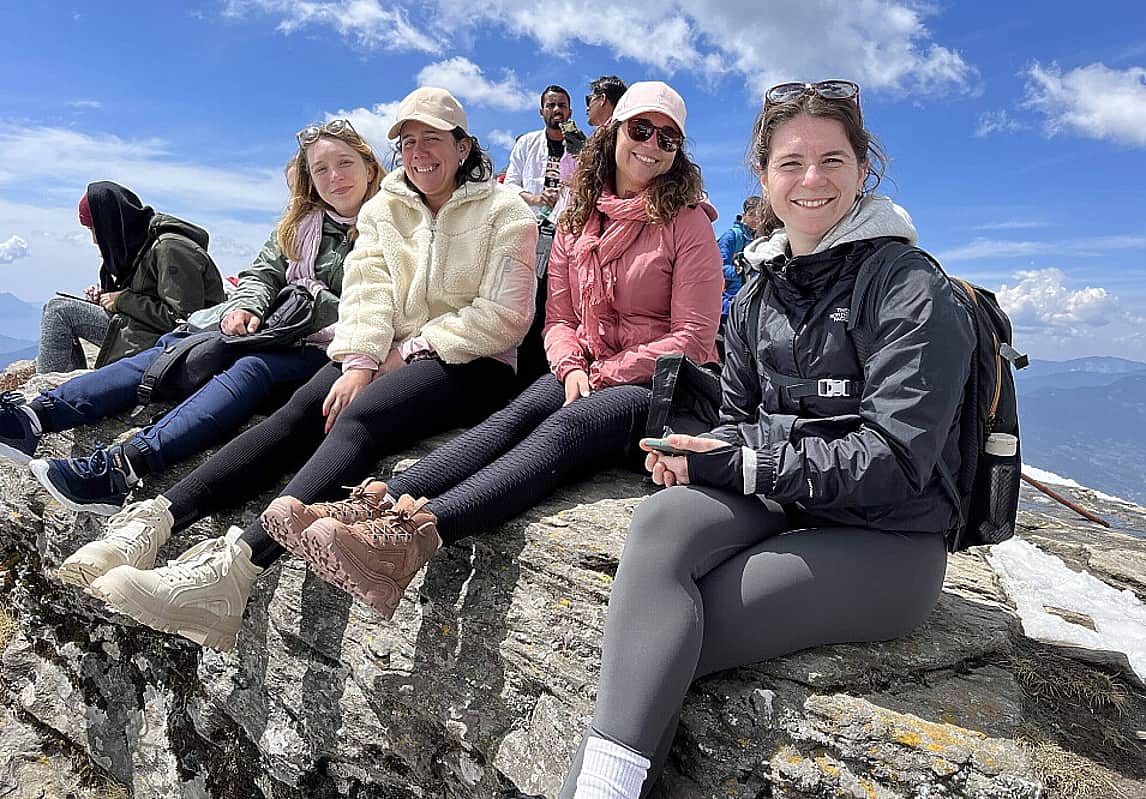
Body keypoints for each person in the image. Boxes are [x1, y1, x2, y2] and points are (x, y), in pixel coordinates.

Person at [558, 80, 975, 799]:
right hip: (789, 502)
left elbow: (899, 458)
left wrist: (748, 458)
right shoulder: (756, 295)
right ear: (762, 175)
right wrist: (702, 453)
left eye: (831, 160)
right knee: (660, 522)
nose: (810, 180)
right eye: (790, 163)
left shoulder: (909, 288)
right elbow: (739, 416)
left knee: (662, 641)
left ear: (862, 168)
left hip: (889, 540)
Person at [79, 88, 538, 653]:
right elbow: (368, 294)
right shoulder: (384, 209)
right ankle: (160, 519)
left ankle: (237, 569)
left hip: (473, 359)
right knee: (307, 405)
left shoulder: (505, 211)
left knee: (363, 415)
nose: (419, 154)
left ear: (463, 146)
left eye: (434, 140)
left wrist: (403, 355)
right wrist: (363, 359)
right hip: (389, 351)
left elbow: (505, 315)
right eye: (408, 142)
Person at [259, 80, 722, 622]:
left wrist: (601, 373)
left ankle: (408, 545)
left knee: (561, 430)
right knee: (513, 417)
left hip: (662, 385)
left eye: (668, 139)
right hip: (589, 366)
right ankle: (377, 503)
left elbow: (691, 337)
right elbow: (561, 318)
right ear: (615, 132)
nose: (652, 144)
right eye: (641, 129)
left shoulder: (688, 223)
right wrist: (572, 364)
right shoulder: (578, 217)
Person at [0, 121, 384, 523]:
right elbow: (263, 273)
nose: (334, 177)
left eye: (345, 163)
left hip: (326, 346)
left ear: (369, 167)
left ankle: (119, 470)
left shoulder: (389, 225)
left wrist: (303, 306)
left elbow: (381, 301)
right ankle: (32, 417)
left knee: (249, 371)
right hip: (267, 327)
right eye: (321, 169)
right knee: (174, 349)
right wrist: (249, 306)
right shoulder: (300, 224)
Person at [37, 182, 224, 373]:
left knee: (58, 310)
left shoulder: (170, 248)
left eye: (94, 230)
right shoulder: (144, 242)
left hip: (171, 344)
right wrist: (106, 297)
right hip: (148, 330)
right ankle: (63, 389)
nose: (94, 239)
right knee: (56, 308)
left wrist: (122, 300)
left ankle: (47, 392)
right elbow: (148, 292)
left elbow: (185, 320)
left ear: (110, 224)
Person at [506, 85, 580, 381]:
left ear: (570, 112)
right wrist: (535, 198)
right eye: (551, 105)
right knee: (525, 301)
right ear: (541, 112)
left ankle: (547, 373)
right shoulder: (526, 143)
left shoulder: (579, 146)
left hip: (564, 235)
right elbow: (509, 184)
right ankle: (519, 376)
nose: (557, 111)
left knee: (557, 303)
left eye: (562, 105)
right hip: (530, 232)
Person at [717, 195, 763, 319]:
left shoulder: (761, 240)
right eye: (752, 214)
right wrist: (737, 272)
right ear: (744, 215)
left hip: (750, 303)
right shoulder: (732, 237)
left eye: (759, 216)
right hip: (728, 304)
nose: (756, 219)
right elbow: (715, 268)